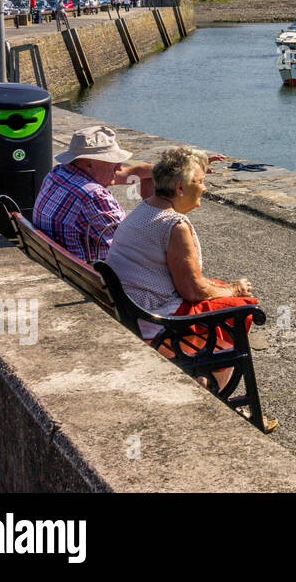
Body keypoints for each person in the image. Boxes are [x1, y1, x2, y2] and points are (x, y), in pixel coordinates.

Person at [105, 147, 273, 431]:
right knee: (243, 307)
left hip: (132, 308)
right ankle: (217, 397)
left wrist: (224, 288)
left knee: (220, 290)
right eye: (200, 182)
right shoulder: (174, 225)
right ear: (181, 187)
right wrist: (234, 289)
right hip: (155, 321)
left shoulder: (144, 210)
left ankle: (206, 379)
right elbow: (193, 292)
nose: (205, 188)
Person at [33, 126, 156, 262]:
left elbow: (124, 173)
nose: (120, 167)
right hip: (99, 272)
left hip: (65, 264)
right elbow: (136, 246)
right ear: (89, 164)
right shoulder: (93, 196)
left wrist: (159, 172)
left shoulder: (58, 173)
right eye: (113, 161)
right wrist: (155, 204)